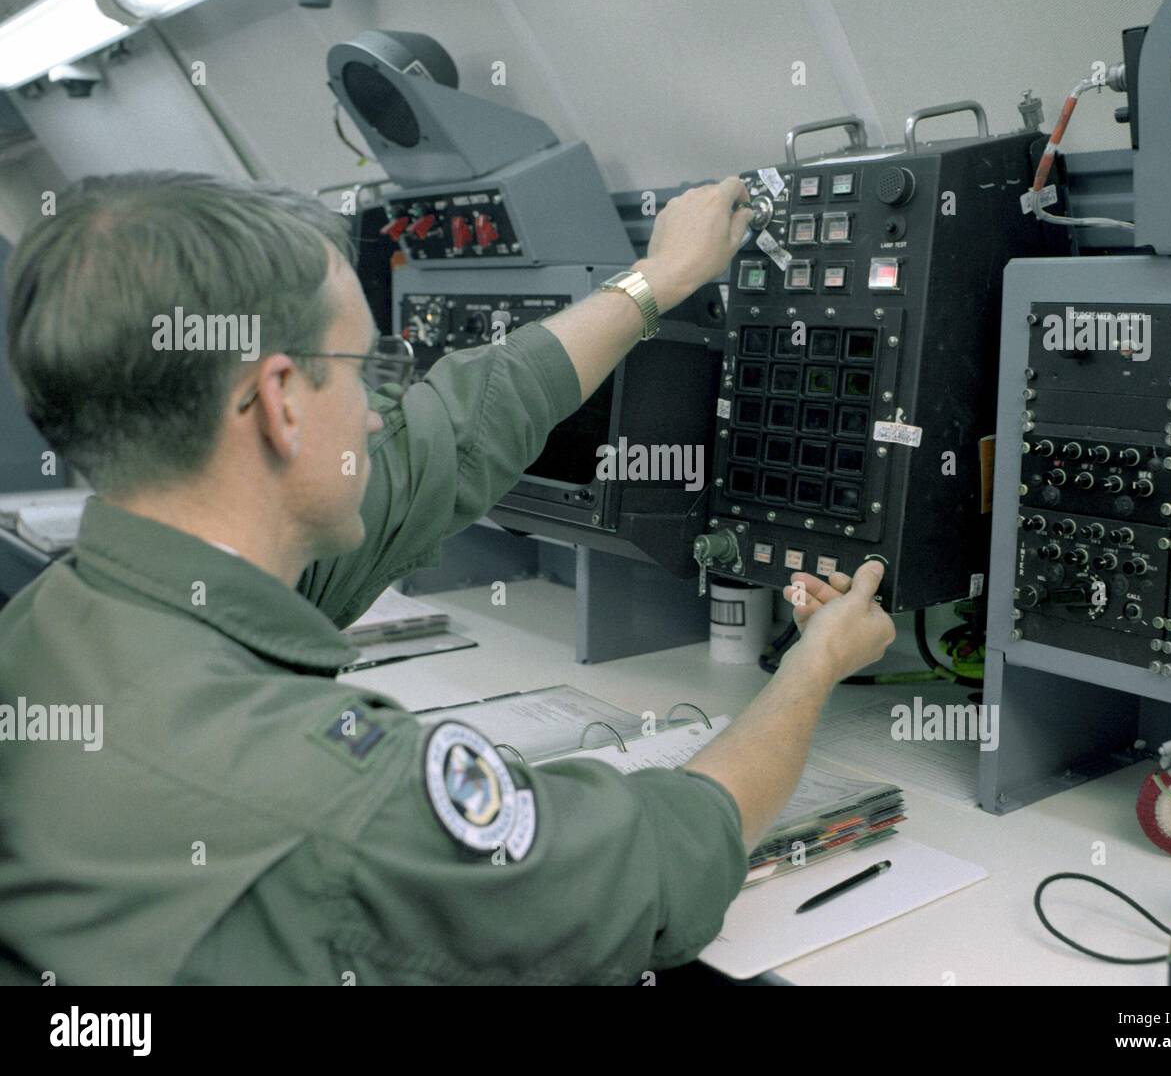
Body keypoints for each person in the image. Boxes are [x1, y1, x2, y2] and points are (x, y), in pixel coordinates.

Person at [0, 171, 894, 985]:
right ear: (278, 404)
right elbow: (657, 863)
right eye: (366, 369)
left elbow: (456, 432)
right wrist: (812, 668)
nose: (377, 411)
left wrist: (655, 280)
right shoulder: (340, 799)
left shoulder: (62, 616)